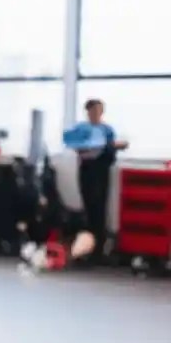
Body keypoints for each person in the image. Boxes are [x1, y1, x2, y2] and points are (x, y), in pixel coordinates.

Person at [72, 98, 129, 247]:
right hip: (87, 169)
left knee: (100, 205)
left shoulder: (107, 129)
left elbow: (112, 147)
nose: (96, 113)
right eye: (93, 110)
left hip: (102, 170)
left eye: (99, 110)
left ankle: (100, 242)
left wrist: (110, 145)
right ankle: (88, 242)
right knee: (89, 205)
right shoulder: (81, 128)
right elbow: (78, 147)